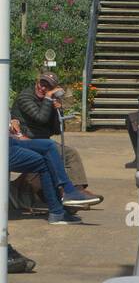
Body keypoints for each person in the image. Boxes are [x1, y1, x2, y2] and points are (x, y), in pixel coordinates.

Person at [11, 70, 98, 199]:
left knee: (70, 153)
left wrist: (58, 110)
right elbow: (40, 118)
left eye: (48, 86)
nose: (43, 88)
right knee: (48, 157)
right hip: (25, 140)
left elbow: (56, 130)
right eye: (42, 83)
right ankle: (20, 188)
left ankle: (77, 190)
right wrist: (47, 99)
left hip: (42, 141)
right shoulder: (25, 97)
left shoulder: (49, 100)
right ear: (37, 82)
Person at [9, 121, 101, 225]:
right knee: (44, 162)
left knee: (49, 145)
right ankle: (59, 208)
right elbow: (40, 118)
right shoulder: (27, 103)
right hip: (6, 147)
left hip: (11, 141)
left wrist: (12, 123)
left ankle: (68, 193)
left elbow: (55, 128)